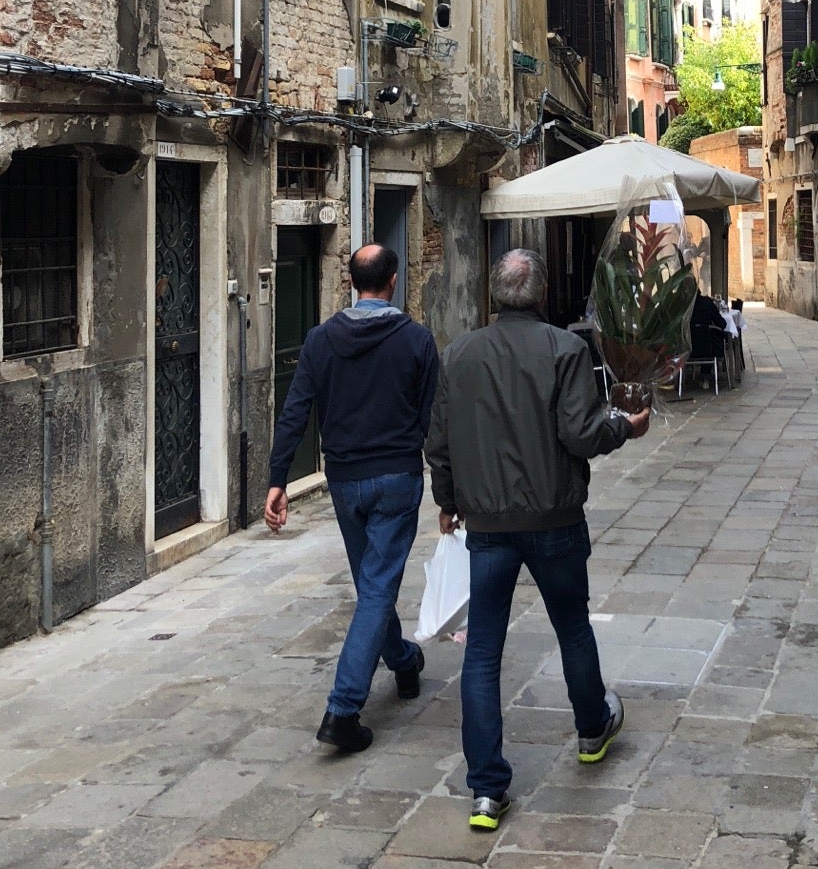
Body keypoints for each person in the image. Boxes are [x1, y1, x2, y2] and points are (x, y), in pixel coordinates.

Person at [427, 248, 650, 831]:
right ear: (543, 296)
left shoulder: (458, 354)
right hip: (554, 518)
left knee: (482, 654)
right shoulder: (565, 349)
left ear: (493, 296)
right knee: (572, 626)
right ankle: (591, 728)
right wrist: (625, 426)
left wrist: (448, 503)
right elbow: (581, 433)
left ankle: (485, 791)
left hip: (489, 526)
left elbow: (440, 443)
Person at [266, 243, 439, 754]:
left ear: (352, 282)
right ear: (392, 281)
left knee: (373, 585)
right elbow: (433, 421)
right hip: (398, 478)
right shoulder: (416, 341)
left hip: (345, 482)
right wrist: (451, 489)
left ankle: (405, 663)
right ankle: (343, 709)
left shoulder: (320, 341)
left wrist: (279, 478)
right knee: (378, 588)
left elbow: (295, 411)